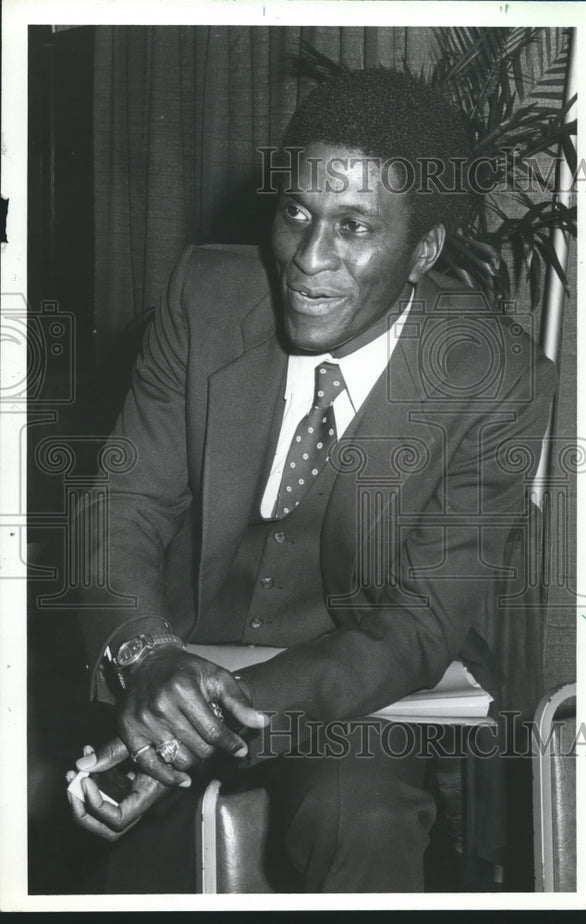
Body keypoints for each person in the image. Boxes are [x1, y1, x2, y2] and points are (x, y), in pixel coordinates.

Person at [66, 68, 557, 893]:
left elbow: (417, 625)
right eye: (297, 212)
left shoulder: (497, 377)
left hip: (357, 686)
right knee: (116, 860)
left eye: (355, 227)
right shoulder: (207, 295)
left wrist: (202, 717)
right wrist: (148, 657)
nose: (307, 258)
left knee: (362, 823)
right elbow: (123, 505)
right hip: (171, 645)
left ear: (423, 252)